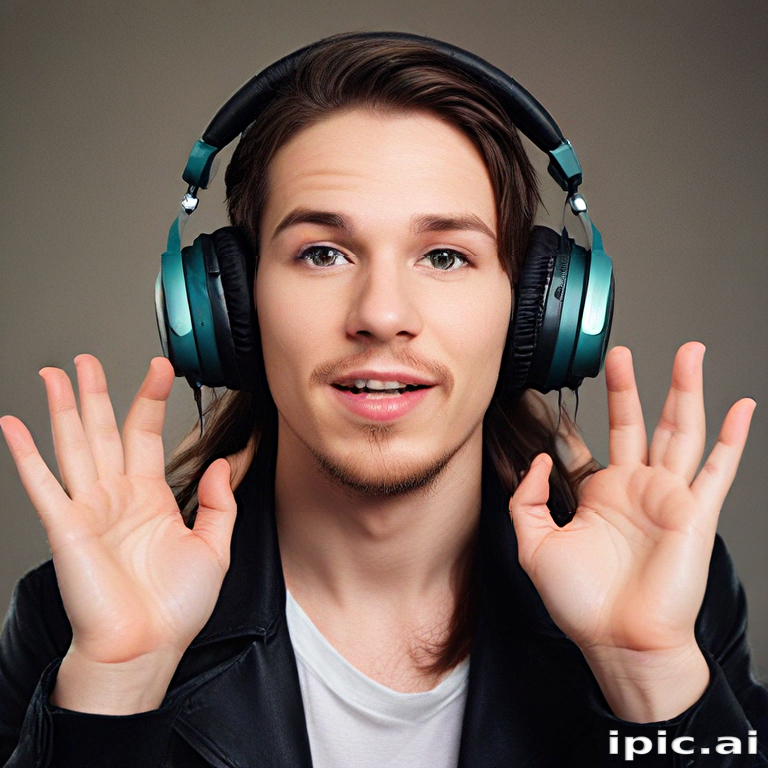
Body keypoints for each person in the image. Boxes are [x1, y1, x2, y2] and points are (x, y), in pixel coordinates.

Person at [0, 32, 766, 767]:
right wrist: (114, 688)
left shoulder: (669, 598)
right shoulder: (82, 617)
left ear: (537, 310)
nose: (381, 313)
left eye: (445, 255)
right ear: (227, 304)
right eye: (322, 253)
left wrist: (651, 676)